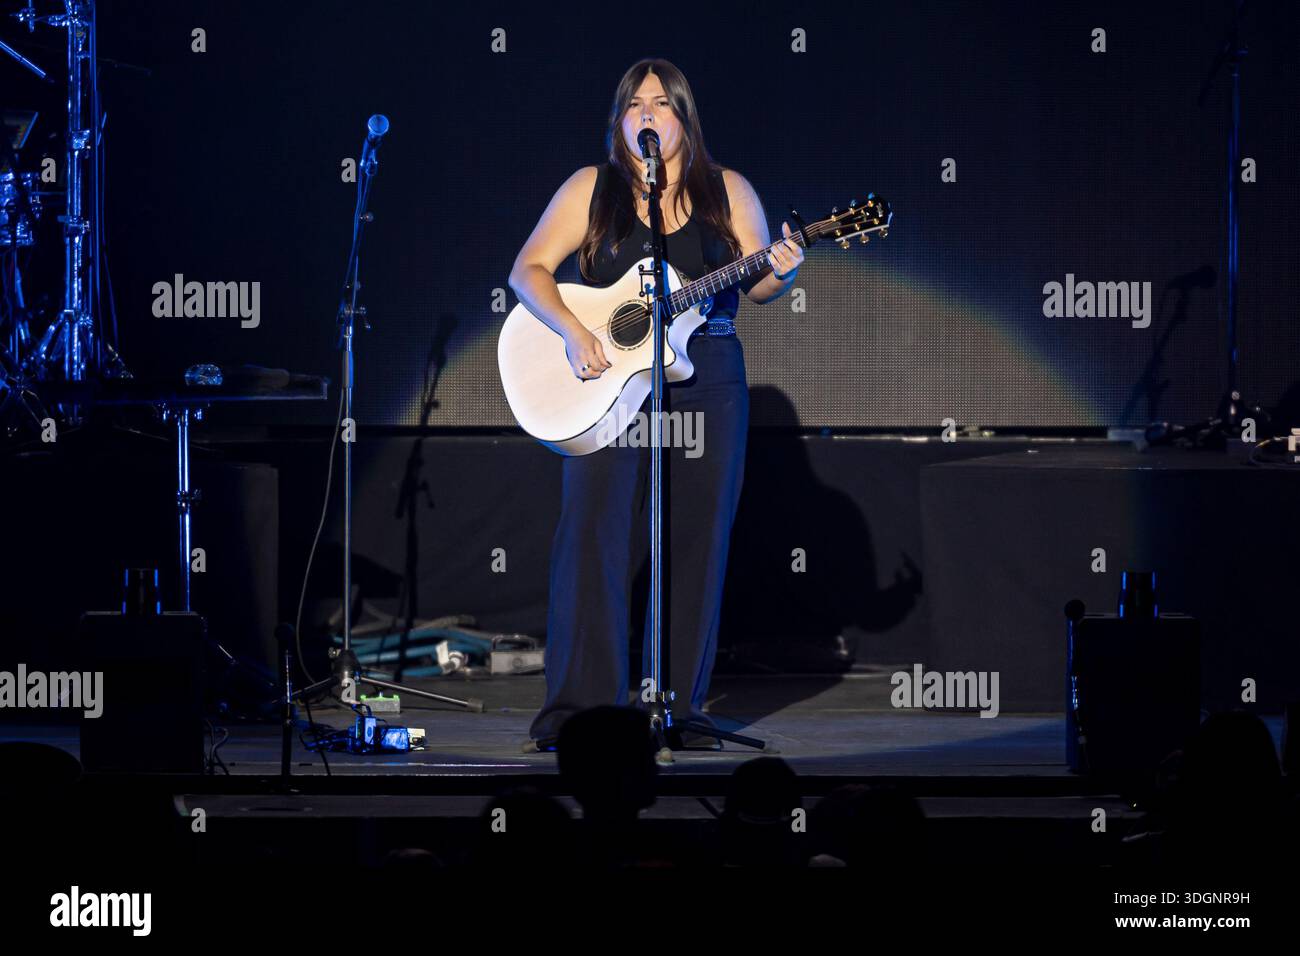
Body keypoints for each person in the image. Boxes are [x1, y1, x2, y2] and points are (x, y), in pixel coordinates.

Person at [508, 58, 804, 751]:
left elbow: (758, 283)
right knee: (593, 535)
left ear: (683, 119)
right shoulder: (593, 188)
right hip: (607, 377)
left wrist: (784, 271)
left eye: (662, 104)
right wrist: (575, 331)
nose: (648, 114)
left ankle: (678, 707)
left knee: (699, 538)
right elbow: (526, 271)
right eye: (634, 104)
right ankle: (583, 710)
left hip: (708, 376)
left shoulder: (725, 190)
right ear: (619, 122)